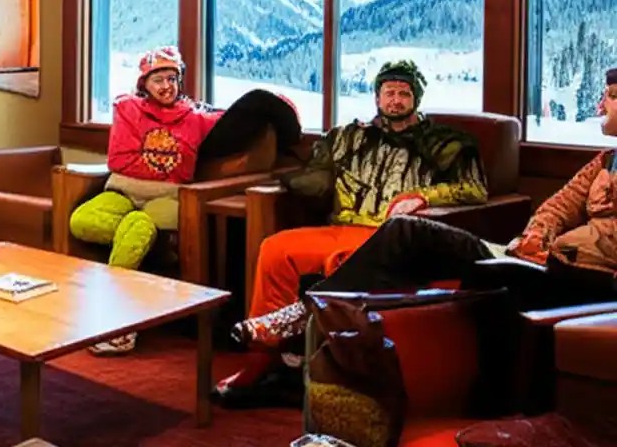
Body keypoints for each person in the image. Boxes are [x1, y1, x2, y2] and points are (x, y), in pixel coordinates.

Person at [231, 66, 617, 363]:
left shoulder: (444, 144)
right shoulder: (605, 160)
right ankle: (310, 326)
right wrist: (536, 236)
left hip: (581, 276)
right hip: (533, 259)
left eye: (610, 98)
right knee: (406, 232)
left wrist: (557, 253)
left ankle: (311, 322)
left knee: (408, 240)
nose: (600, 106)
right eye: (389, 92)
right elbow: (557, 206)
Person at [213, 60, 489, 405]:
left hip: (386, 236)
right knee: (276, 249)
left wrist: (424, 197)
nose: (396, 100)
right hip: (342, 225)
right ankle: (263, 358)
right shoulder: (349, 138)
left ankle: (333, 370)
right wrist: (296, 177)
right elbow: (315, 178)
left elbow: (474, 188)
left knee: (342, 263)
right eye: (389, 92)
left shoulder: (446, 144)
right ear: (377, 97)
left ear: (416, 98)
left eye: (404, 93)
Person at [69, 45, 301, 354]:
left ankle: (118, 325)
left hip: (168, 198)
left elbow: (240, 117)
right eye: (158, 80)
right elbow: (119, 160)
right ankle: (128, 264)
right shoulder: (127, 108)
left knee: (139, 226)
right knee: (81, 220)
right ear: (144, 84)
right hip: (122, 190)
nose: (166, 86)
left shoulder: (195, 118)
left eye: (172, 79)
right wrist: (171, 166)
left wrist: (281, 106)